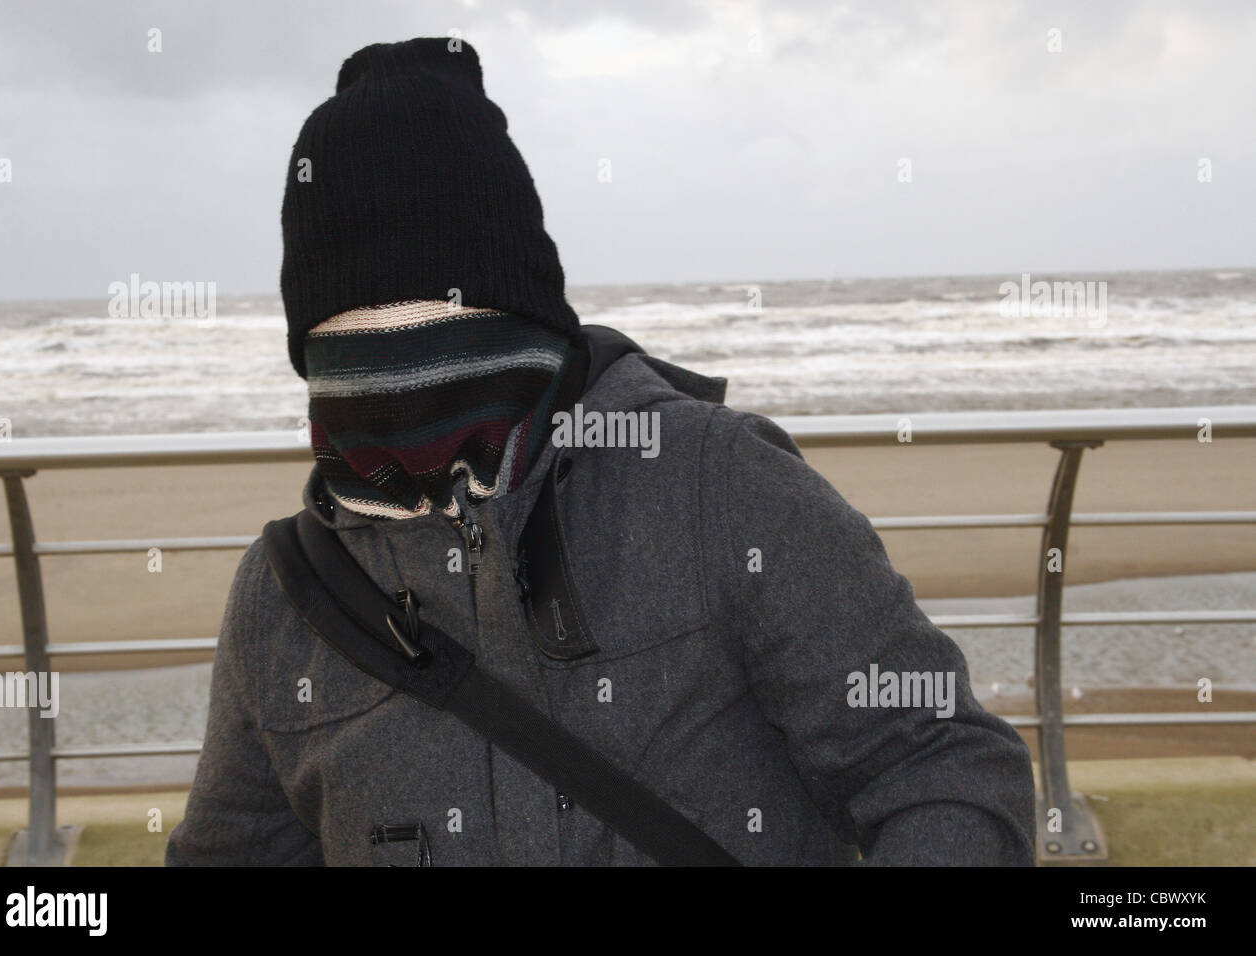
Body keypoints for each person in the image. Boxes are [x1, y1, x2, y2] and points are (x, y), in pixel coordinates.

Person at [166, 37, 1035, 866]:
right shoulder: (283, 600)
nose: (402, 390)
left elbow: (937, 764)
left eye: (448, 332)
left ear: (527, 316)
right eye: (354, 342)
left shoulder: (716, 488)